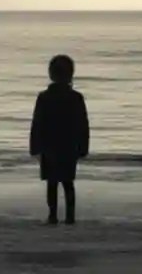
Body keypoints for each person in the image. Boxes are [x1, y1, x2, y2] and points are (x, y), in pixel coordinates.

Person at [29, 54, 89, 224]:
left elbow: (37, 124)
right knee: (68, 183)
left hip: (49, 146)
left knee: (52, 183)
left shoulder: (44, 97)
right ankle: (70, 217)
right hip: (69, 146)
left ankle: (53, 215)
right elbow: (83, 125)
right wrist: (83, 147)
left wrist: (35, 147)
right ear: (71, 74)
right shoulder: (76, 98)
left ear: (51, 74)